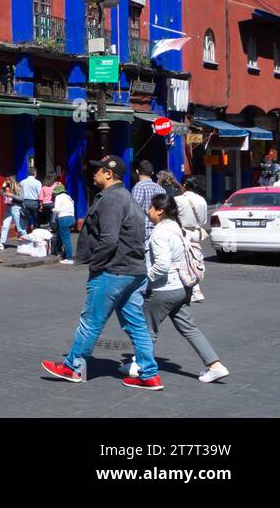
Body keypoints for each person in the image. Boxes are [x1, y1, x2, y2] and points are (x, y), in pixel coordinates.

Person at [41, 155, 161, 390]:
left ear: (109, 173)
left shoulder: (112, 199)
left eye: (98, 170)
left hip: (113, 270)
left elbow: (108, 239)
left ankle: (72, 367)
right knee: (136, 324)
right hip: (134, 270)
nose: (93, 173)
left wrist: (95, 264)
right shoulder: (126, 197)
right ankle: (149, 373)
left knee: (91, 321)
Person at [140, 192, 229, 384]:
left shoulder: (159, 233)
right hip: (182, 287)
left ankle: (141, 366)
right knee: (189, 328)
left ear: (160, 211)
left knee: (145, 329)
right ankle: (215, 365)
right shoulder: (176, 228)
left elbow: (162, 265)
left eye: (150, 207)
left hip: (164, 289)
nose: (148, 211)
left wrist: (145, 279)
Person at [174, 176, 210, 303]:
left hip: (182, 232)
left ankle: (189, 289)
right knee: (194, 259)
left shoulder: (178, 200)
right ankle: (196, 290)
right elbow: (204, 221)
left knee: (182, 261)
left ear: (184, 184)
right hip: (196, 232)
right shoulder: (202, 200)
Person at [0, 175, 26, 249]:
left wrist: (12, 195)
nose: (6, 181)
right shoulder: (6, 186)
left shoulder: (18, 187)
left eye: (7, 179)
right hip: (9, 208)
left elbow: (22, 198)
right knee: (5, 226)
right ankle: (2, 243)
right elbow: (1, 194)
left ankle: (26, 243)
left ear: (11, 180)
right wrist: (3, 188)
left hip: (16, 208)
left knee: (20, 228)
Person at [130, 160, 159, 239]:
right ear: (152, 173)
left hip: (144, 230)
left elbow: (134, 210)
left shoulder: (139, 187)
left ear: (137, 171)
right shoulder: (160, 188)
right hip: (158, 228)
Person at [52, 184, 76, 264]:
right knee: (60, 235)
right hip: (72, 218)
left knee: (66, 239)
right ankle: (60, 252)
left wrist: (53, 210)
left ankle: (69, 258)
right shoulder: (69, 197)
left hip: (64, 218)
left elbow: (57, 209)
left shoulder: (59, 197)